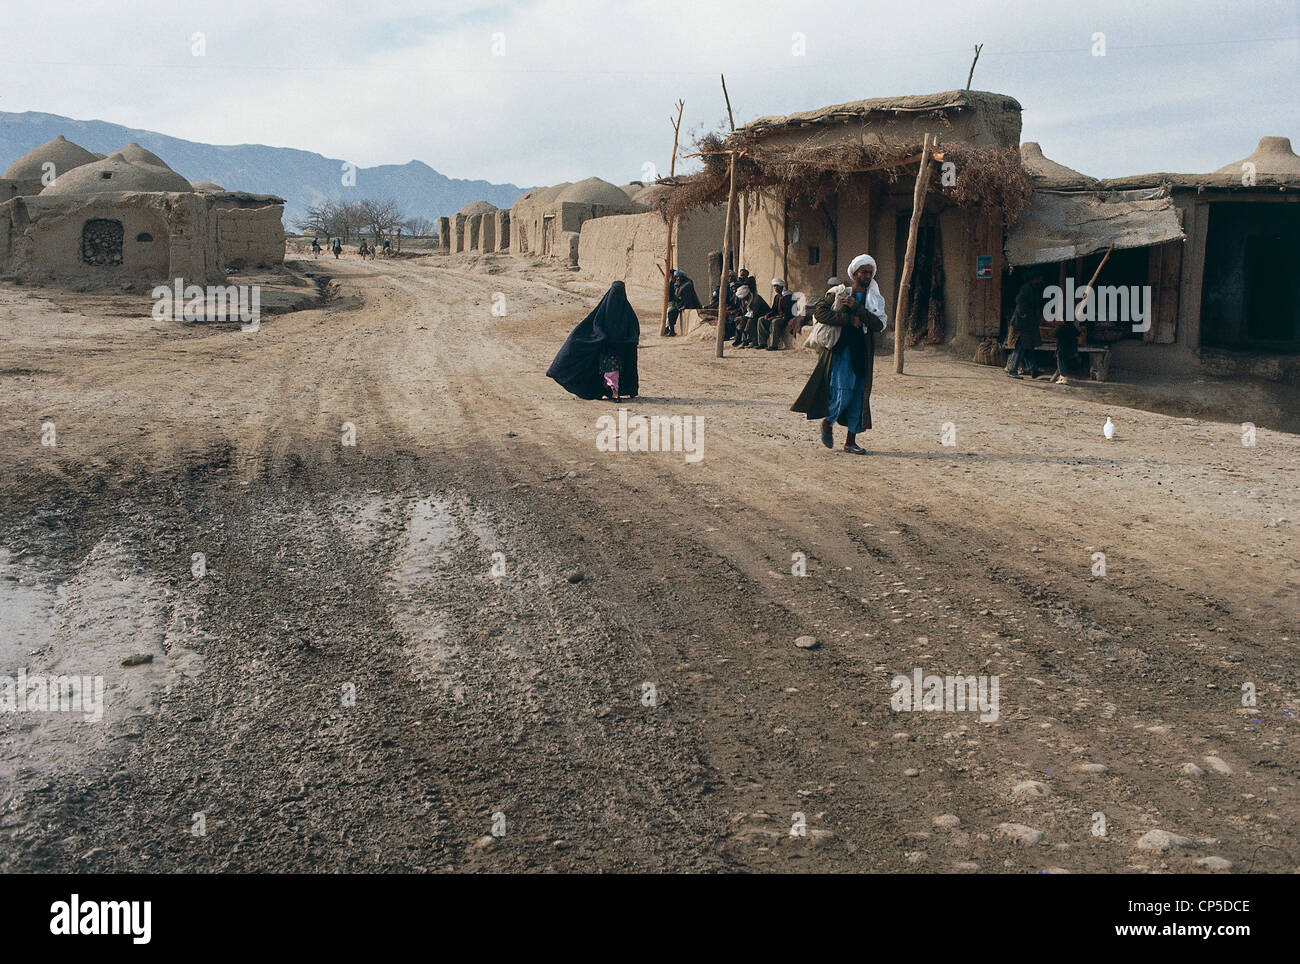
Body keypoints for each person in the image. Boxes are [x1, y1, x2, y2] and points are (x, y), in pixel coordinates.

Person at [791, 254, 888, 455]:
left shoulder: (874, 300)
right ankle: (828, 423)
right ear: (854, 273)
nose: (867, 276)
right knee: (842, 395)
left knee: (859, 398)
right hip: (842, 352)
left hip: (863, 354)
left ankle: (850, 442)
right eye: (864, 272)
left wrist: (858, 309)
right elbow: (820, 312)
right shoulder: (840, 292)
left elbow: (878, 324)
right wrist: (847, 319)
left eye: (870, 272)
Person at [546, 281, 640, 400]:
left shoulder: (612, 309)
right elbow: (597, 326)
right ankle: (610, 392)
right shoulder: (623, 311)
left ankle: (613, 392)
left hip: (613, 350)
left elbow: (633, 330)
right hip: (610, 349)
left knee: (611, 373)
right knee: (610, 372)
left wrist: (624, 341)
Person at [1005, 269, 1047, 379]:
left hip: (1029, 323)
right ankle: (1012, 369)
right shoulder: (1026, 288)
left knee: (1029, 345)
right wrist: (1023, 313)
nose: (1042, 280)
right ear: (1036, 278)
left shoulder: (1034, 288)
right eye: (1040, 277)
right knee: (1021, 345)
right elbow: (1019, 300)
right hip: (1022, 323)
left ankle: (1033, 369)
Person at [758, 278, 795, 350]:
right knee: (761, 319)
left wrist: (775, 317)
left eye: (777, 286)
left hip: (786, 317)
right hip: (779, 316)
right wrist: (768, 314)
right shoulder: (777, 297)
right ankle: (762, 343)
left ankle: (774, 345)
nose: (775, 288)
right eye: (774, 286)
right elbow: (774, 310)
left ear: (782, 286)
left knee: (775, 322)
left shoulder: (788, 296)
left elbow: (788, 313)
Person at [666, 269, 701, 337]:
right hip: (679, 304)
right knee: (670, 312)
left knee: (672, 311)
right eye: (677, 277)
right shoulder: (677, 284)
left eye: (679, 277)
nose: (678, 278)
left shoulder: (688, 284)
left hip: (688, 304)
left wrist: (684, 306)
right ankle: (672, 331)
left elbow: (688, 298)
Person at [1053, 315, 1082, 381]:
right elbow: (1078, 334)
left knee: (1060, 362)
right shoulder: (1073, 327)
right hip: (1071, 348)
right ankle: (1063, 376)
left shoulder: (1061, 327)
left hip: (1062, 348)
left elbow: (1054, 334)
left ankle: (1063, 376)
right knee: (1065, 362)